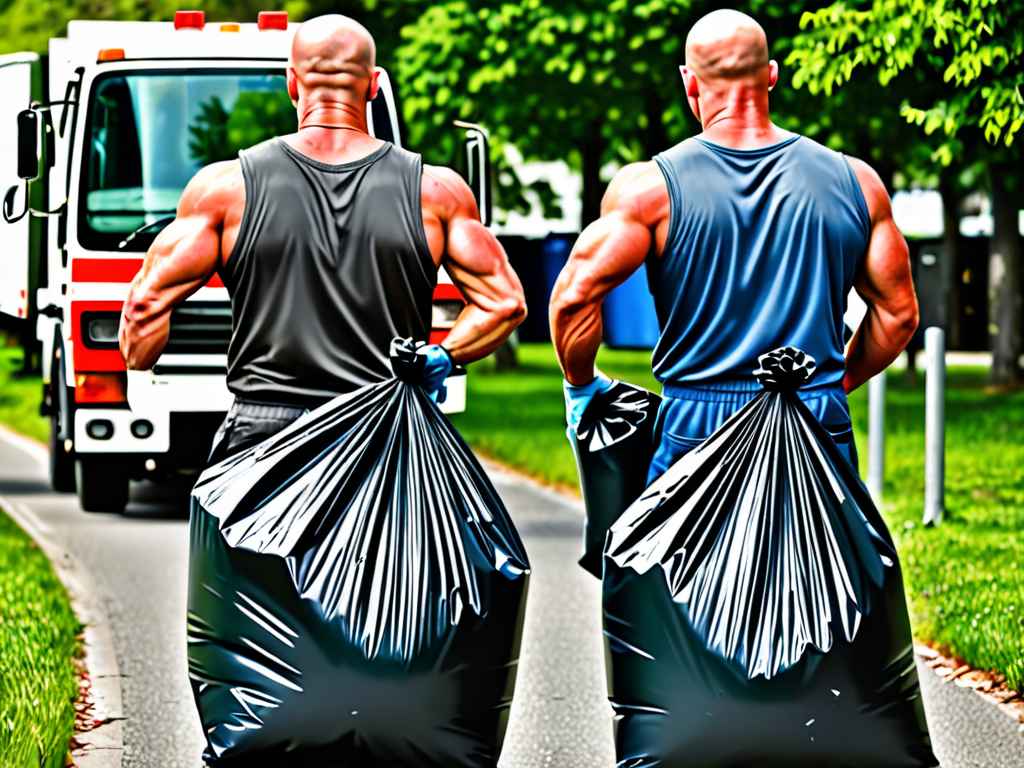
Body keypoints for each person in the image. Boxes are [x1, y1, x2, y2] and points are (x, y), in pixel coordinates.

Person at [119, 15, 525, 461]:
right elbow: (505, 303)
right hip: (384, 430)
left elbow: (143, 309)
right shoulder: (436, 193)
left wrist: (139, 361)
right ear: (373, 86)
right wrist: (443, 356)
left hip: (264, 437)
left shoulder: (223, 191)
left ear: (292, 83)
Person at [550, 8, 917, 483]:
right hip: (815, 419)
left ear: (690, 82)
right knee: (816, 559)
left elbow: (574, 298)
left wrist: (581, 389)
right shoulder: (857, 182)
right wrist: (832, 383)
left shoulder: (648, 190)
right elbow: (899, 313)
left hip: (700, 427)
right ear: (771, 76)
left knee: (683, 561)